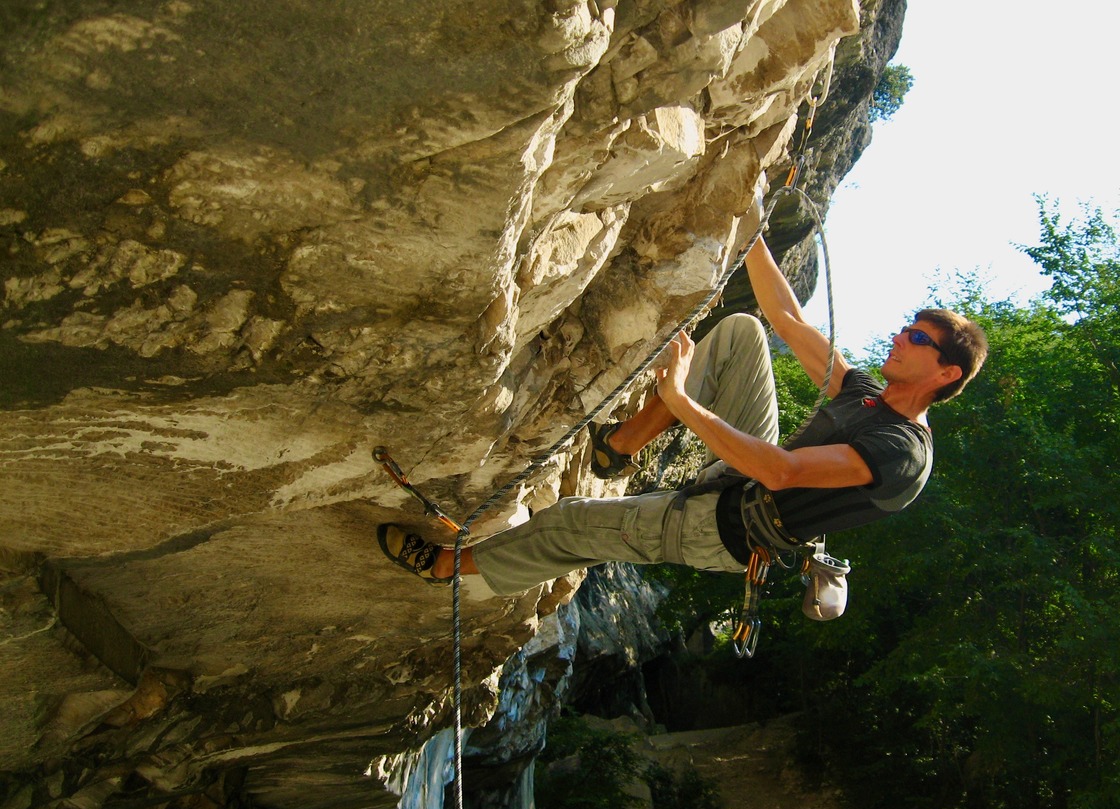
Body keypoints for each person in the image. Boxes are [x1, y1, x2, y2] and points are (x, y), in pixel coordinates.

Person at [378, 232, 988, 605]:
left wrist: (681, 399)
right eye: (907, 328)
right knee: (743, 332)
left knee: (568, 524)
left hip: (728, 529)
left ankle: (444, 565)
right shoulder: (866, 398)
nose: (899, 338)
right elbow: (787, 319)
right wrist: (751, 231)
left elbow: (779, 471)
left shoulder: (901, 451)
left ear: (946, 374)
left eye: (917, 337)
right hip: (747, 481)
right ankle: (618, 446)